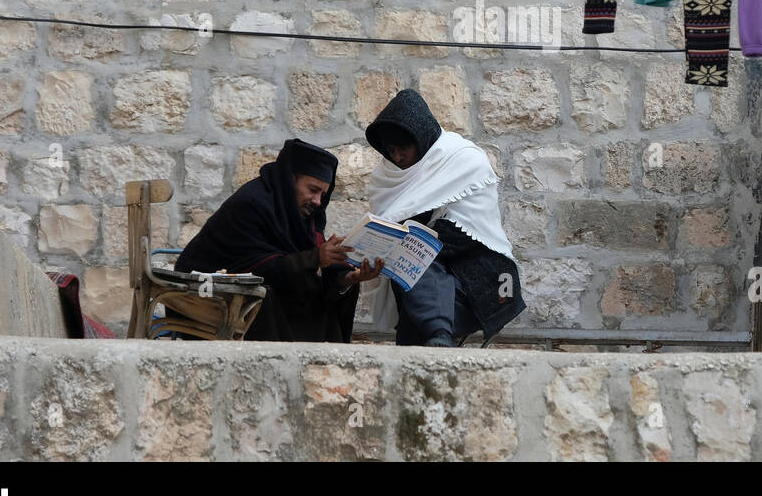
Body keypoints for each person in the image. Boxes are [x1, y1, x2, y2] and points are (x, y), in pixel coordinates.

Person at [174, 138, 382, 341]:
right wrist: (315, 258)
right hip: (206, 293)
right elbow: (253, 268)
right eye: (313, 190)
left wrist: (349, 279)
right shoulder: (251, 204)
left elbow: (308, 260)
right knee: (264, 298)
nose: (318, 201)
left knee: (318, 301)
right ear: (289, 179)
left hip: (266, 290)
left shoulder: (306, 214)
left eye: (323, 194)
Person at [362, 89, 525, 346]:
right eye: (391, 150)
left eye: (403, 148)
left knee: (416, 252)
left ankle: (440, 338)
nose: (397, 157)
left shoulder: (463, 161)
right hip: (419, 293)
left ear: (422, 136)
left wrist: (407, 240)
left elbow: (462, 237)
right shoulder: (386, 179)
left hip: (478, 282)